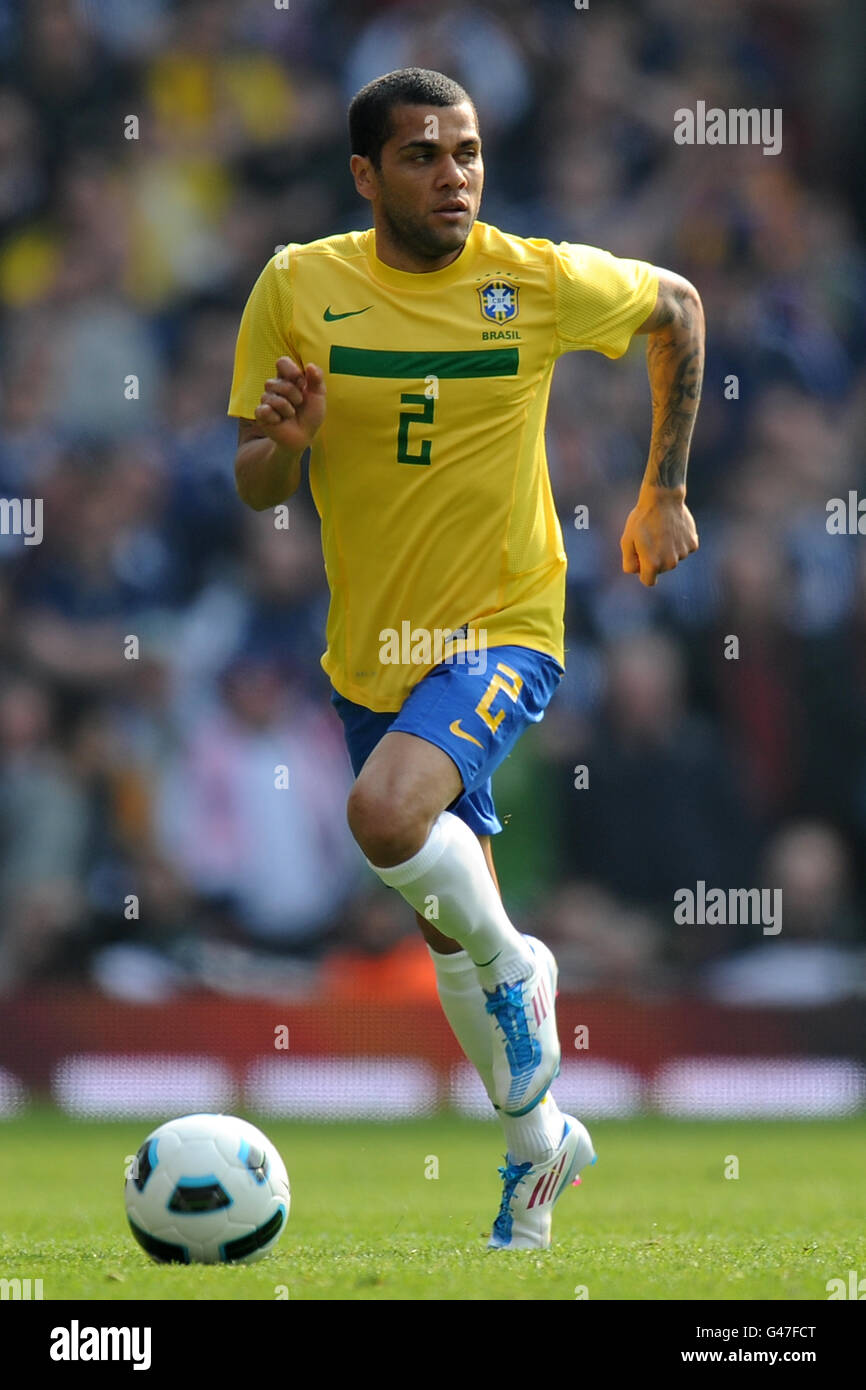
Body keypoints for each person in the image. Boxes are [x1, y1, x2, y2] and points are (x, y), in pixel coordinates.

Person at [228, 67, 704, 1249]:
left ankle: (520, 963)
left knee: (386, 817)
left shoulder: (531, 279)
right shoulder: (297, 286)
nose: (455, 176)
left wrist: (663, 490)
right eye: (423, 157)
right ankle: (538, 1153)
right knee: (450, 931)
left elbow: (678, 308)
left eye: (469, 153)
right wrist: (283, 447)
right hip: (369, 658)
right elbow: (254, 482)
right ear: (365, 175)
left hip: (502, 629)